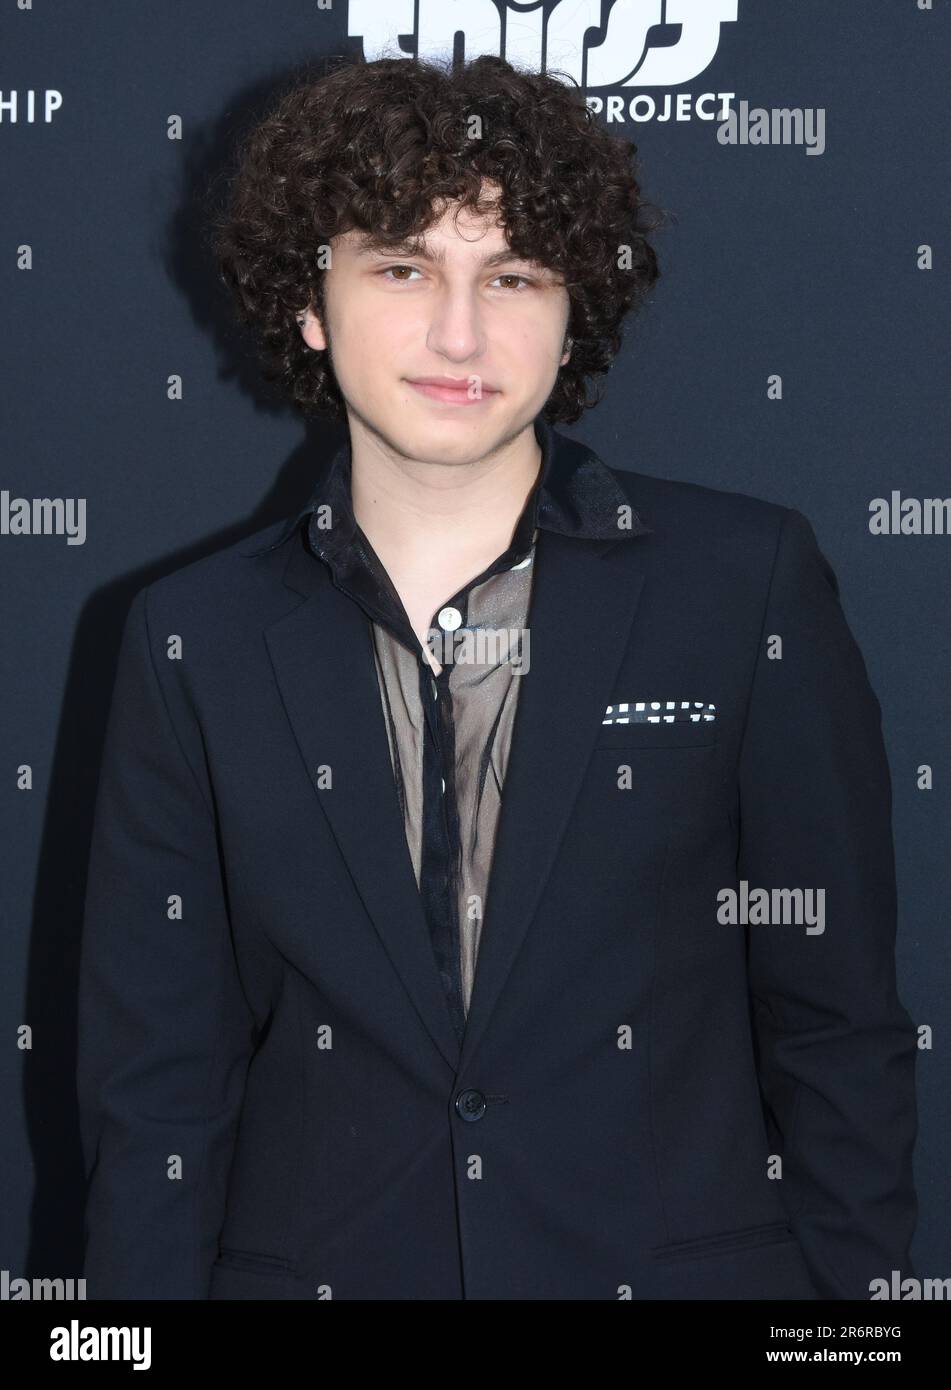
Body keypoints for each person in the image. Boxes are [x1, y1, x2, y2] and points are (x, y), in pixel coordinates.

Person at [77, 53, 917, 1300]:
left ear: (573, 307)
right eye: (403, 266)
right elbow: (157, 1090)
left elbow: (836, 1023)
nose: (460, 332)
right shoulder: (190, 636)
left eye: (512, 274)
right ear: (311, 302)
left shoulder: (745, 586)